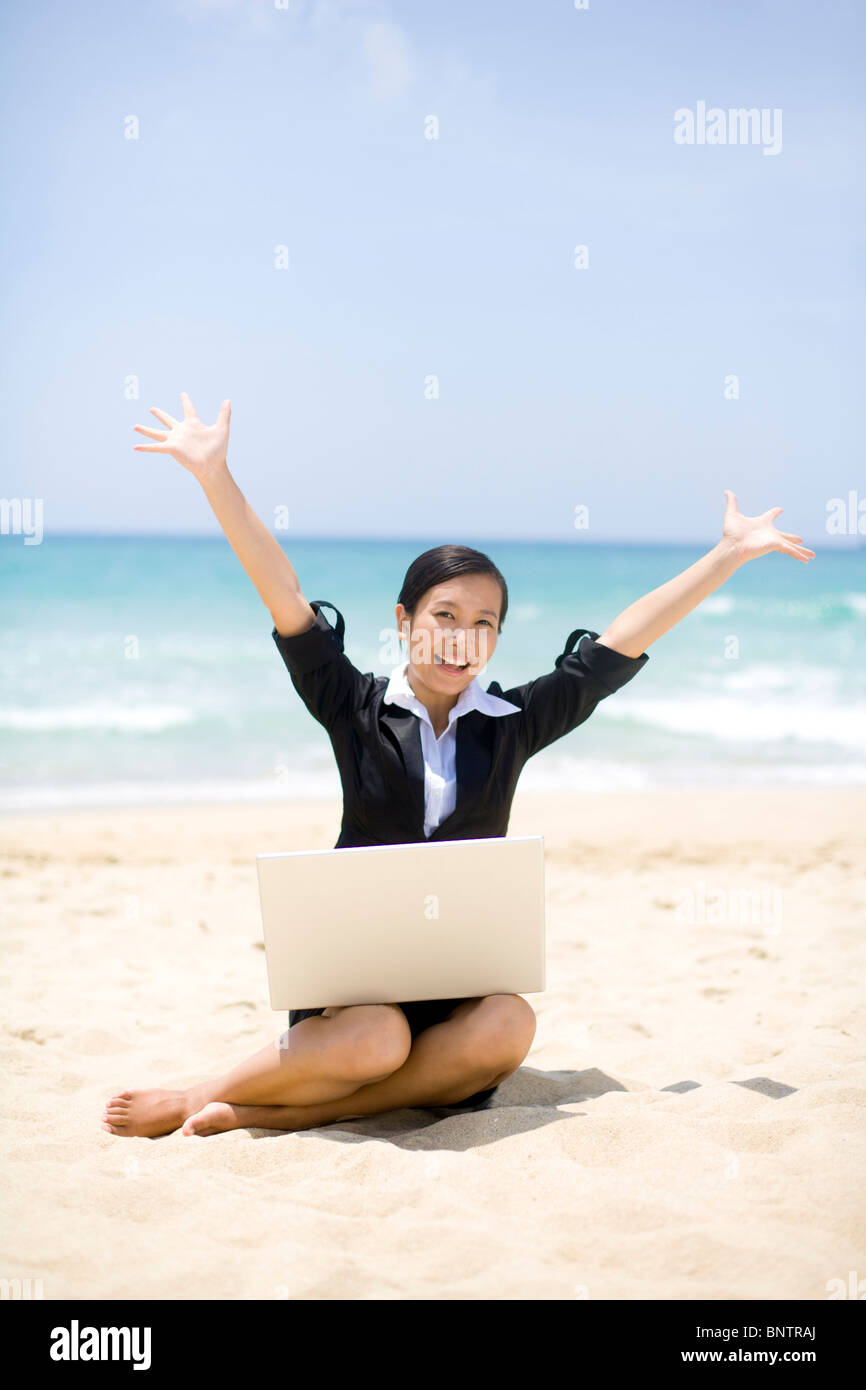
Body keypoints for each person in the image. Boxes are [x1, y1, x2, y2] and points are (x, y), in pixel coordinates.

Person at [103, 393, 814, 1139]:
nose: (461, 640)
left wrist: (729, 553)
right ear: (405, 621)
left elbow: (621, 644)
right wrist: (215, 475)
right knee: (377, 1039)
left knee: (511, 1023)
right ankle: (198, 1094)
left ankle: (287, 1112)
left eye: (484, 625)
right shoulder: (354, 706)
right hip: (356, 995)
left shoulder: (513, 725)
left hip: (454, 989)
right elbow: (279, 587)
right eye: (444, 616)